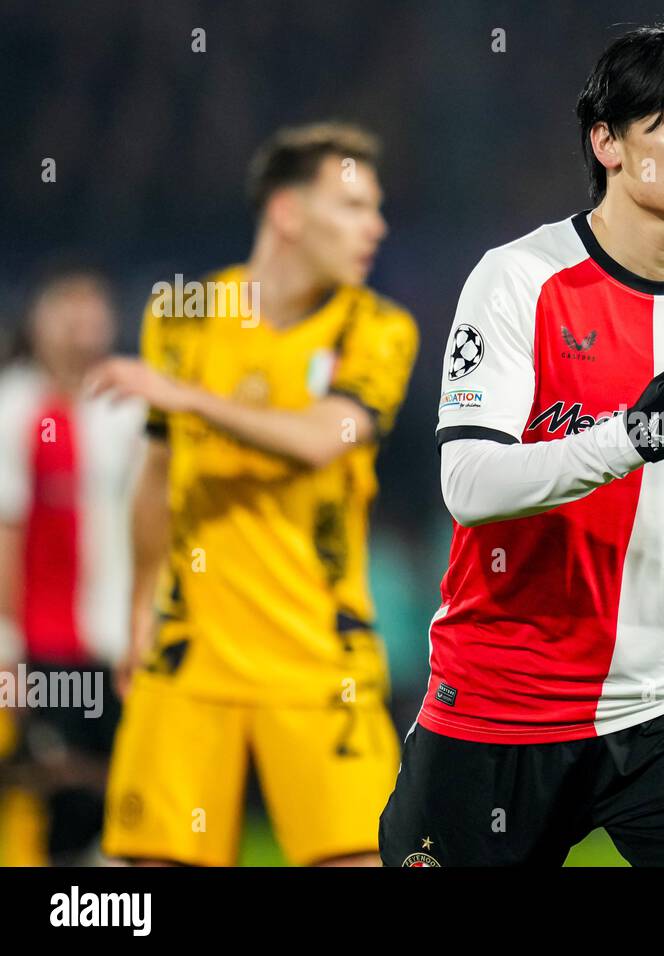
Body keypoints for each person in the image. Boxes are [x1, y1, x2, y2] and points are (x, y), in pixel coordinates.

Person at [380, 22, 664, 868]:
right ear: (607, 141)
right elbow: (471, 483)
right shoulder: (517, 281)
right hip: (501, 709)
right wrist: (634, 435)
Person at [90, 122, 419, 866]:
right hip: (191, 653)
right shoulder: (184, 314)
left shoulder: (377, 328)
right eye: (353, 205)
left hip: (318, 653)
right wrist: (139, 604)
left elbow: (321, 438)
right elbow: (156, 472)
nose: (377, 226)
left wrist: (188, 398)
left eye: (376, 207)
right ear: (288, 213)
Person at [0, 269, 142, 865]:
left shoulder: (127, 408)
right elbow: (6, 529)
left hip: (112, 640)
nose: (82, 326)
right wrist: (6, 640)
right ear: (39, 320)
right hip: (40, 643)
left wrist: (142, 628)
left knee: (120, 788)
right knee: (47, 784)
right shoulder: (13, 405)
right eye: (68, 310)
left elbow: (149, 530)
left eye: (93, 311)